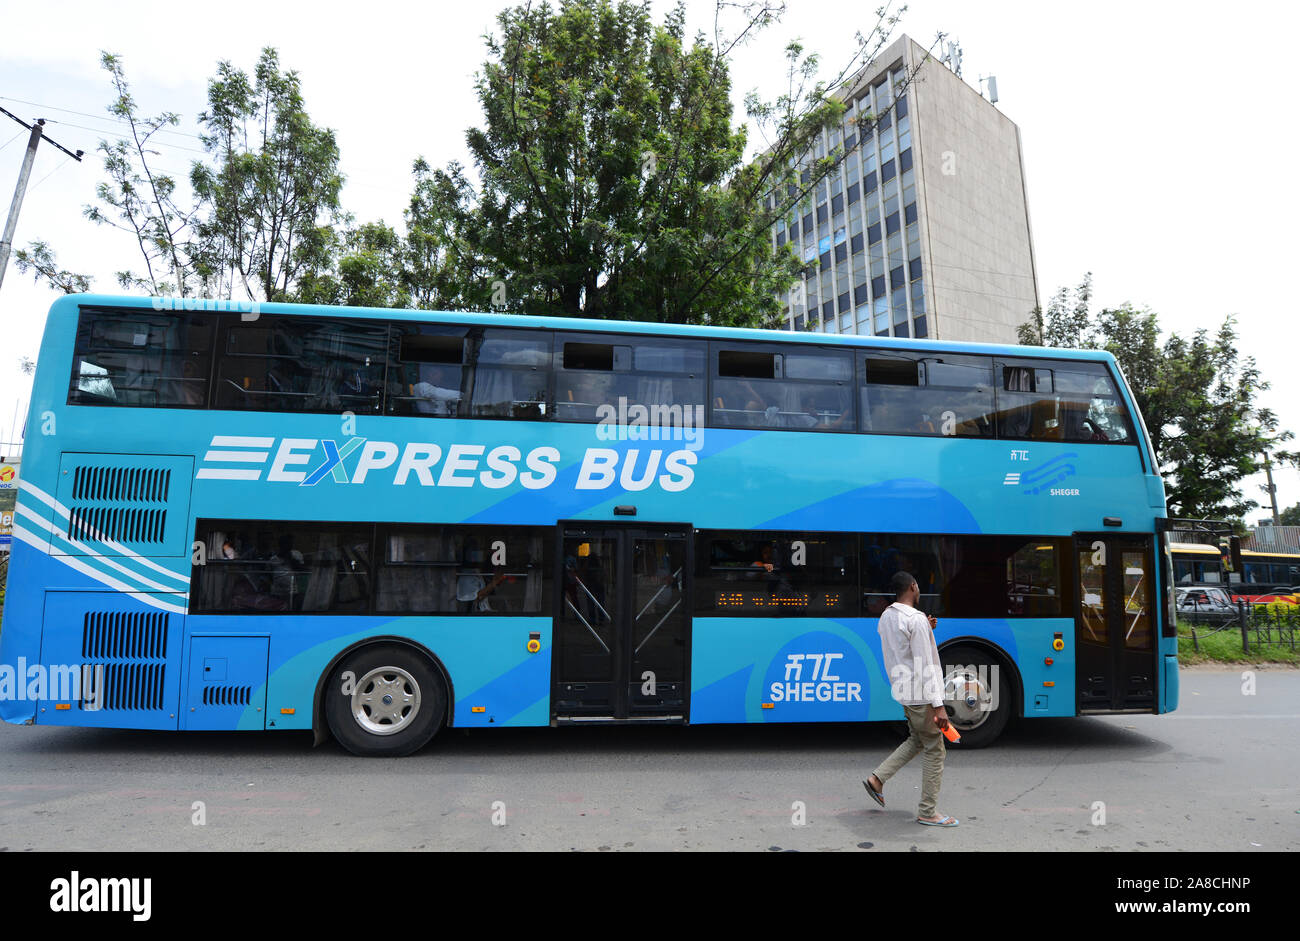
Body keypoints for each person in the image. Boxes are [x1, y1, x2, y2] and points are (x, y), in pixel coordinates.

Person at [863, 571, 959, 827]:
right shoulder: (915, 620)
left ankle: (877, 779)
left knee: (917, 739)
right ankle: (928, 811)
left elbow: (901, 646)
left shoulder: (886, 616)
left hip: (904, 691)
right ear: (913, 587)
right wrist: (938, 706)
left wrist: (925, 628)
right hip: (920, 694)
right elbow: (924, 663)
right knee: (935, 750)